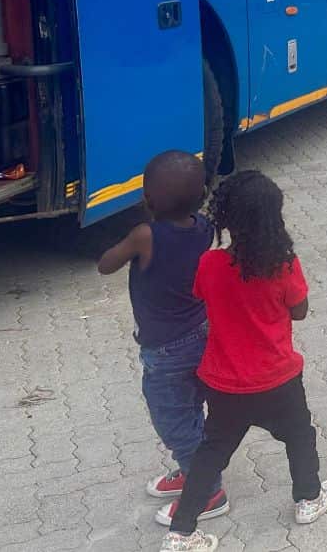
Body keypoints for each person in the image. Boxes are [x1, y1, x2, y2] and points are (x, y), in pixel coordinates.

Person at [161, 171, 327, 551]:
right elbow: (300, 311)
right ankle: (308, 498)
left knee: (211, 454)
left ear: (225, 219)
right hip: (278, 379)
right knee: (299, 436)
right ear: (274, 219)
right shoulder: (284, 265)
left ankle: (181, 531)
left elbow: (203, 296)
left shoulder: (209, 265)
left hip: (224, 383)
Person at [97, 152, 229, 528]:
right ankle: (195, 469)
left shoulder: (145, 236)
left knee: (172, 419)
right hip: (203, 335)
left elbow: (106, 264)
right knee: (190, 409)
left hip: (166, 350)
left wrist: (123, 241)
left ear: (147, 199)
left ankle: (208, 491)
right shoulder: (204, 226)